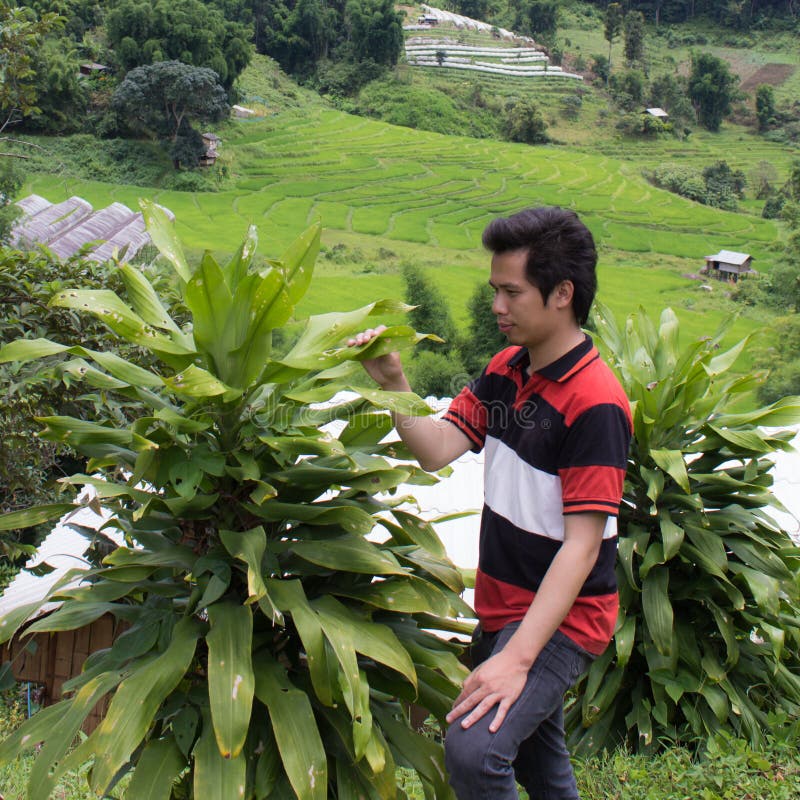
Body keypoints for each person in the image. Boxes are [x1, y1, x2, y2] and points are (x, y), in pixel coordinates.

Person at [349, 206, 632, 800]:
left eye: (511, 292)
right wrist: (394, 384)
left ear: (562, 293)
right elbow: (436, 449)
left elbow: (583, 546)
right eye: (493, 290)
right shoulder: (506, 369)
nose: (497, 306)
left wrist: (516, 659)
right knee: (539, 764)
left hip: (562, 619)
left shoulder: (596, 402)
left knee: (475, 751)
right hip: (505, 606)